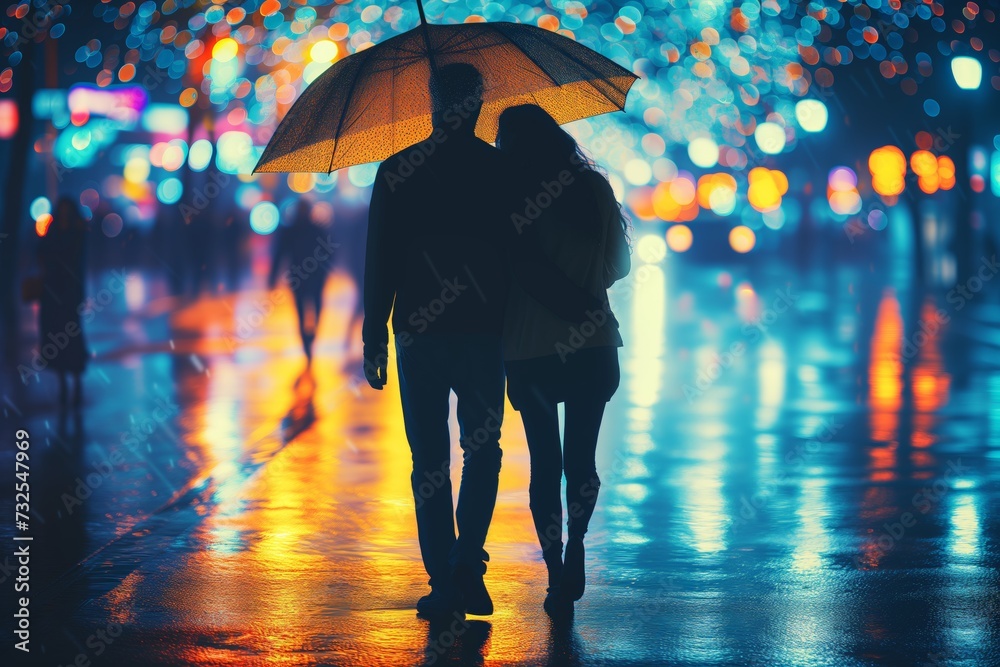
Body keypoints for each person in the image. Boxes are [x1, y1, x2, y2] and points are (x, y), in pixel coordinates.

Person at [364, 64, 601, 618]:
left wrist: (375, 332)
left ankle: (444, 578)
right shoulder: (501, 172)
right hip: (483, 331)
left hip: (418, 331)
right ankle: (468, 564)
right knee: (482, 451)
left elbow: (381, 261)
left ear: (431, 103)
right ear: (477, 105)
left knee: (428, 460)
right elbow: (522, 254)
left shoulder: (397, 170)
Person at [496, 104, 631, 617]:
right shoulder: (593, 189)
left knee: (544, 463)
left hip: (531, 351)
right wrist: (585, 284)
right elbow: (618, 264)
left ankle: (555, 568)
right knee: (581, 461)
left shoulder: (509, 197)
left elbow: (503, 272)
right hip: (593, 344)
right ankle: (578, 545)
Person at [37, 197, 90, 408]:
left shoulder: (76, 233)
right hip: (52, 293)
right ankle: (63, 384)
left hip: (68, 293)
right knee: (55, 337)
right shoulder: (54, 231)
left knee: (71, 336)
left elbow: (77, 262)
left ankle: (75, 382)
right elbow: (41, 253)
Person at [269, 199, 334, 363]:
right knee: (312, 308)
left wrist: (272, 277)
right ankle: (308, 339)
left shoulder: (294, 230)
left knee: (306, 310)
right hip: (310, 277)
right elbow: (328, 253)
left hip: (302, 276)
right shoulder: (314, 229)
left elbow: (280, 254)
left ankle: (308, 339)